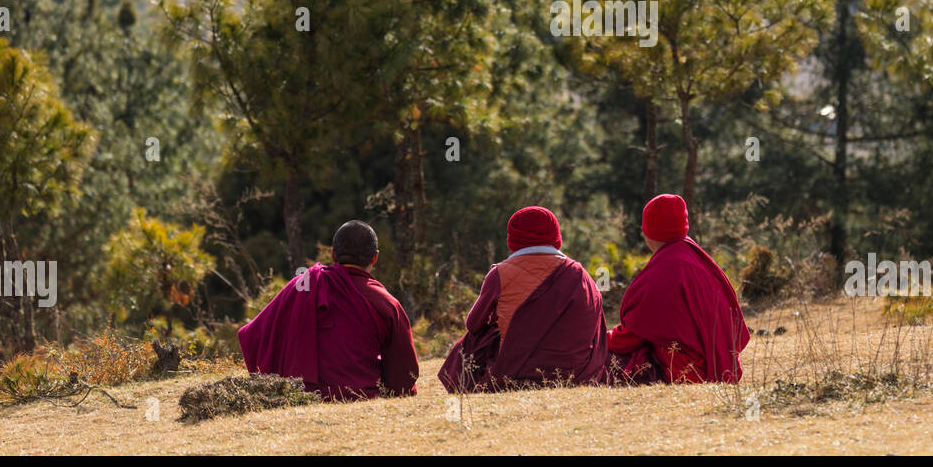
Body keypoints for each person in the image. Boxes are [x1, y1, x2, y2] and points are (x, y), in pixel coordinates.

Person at [238, 220, 419, 400]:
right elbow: (404, 374)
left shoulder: (304, 285)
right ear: (375, 257)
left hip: (301, 396)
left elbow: (253, 334)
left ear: (333, 255)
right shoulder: (386, 303)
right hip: (363, 395)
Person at [439, 206, 607, 392]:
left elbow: (473, 324)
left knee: (472, 340)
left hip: (517, 372)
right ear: (556, 236)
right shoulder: (579, 274)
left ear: (513, 239)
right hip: (574, 374)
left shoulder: (500, 273)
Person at [607, 194, 751, 384]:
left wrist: (602, 340)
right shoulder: (695, 257)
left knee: (609, 362)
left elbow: (631, 336)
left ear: (649, 231)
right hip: (719, 366)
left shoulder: (664, 269)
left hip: (687, 372)